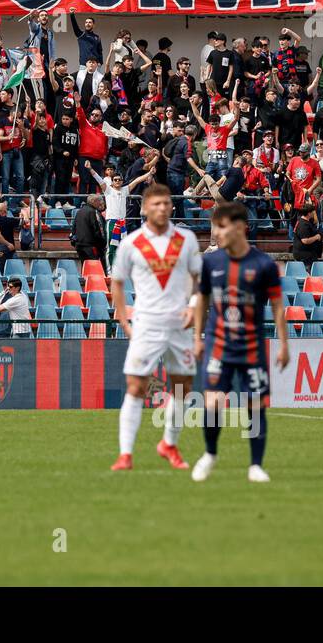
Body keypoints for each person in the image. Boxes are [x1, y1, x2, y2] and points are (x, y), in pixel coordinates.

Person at [190, 202, 290, 484]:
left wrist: (283, 345)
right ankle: (210, 454)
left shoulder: (264, 265)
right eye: (215, 227)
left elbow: (278, 307)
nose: (217, 233)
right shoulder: (211, 262)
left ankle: (256, 465)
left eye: (221, 227)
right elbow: (202, 301)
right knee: (212, 403)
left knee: (255, 406)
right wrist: (197, 338)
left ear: (239, 228)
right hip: (218, 344)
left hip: (252, 347)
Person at [108, 183, 201, 473]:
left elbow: (198, 278)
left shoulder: (186, 239)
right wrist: (123, 319)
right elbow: (118, 282)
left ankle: (169, 444)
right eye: (156, 204)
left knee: (183, 387)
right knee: (136, 386)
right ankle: (125, 454)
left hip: (179, 323)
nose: (162, 208)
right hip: (146, 322)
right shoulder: (131, 242)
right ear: (145, 207)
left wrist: (193, 304)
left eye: (166, 203)